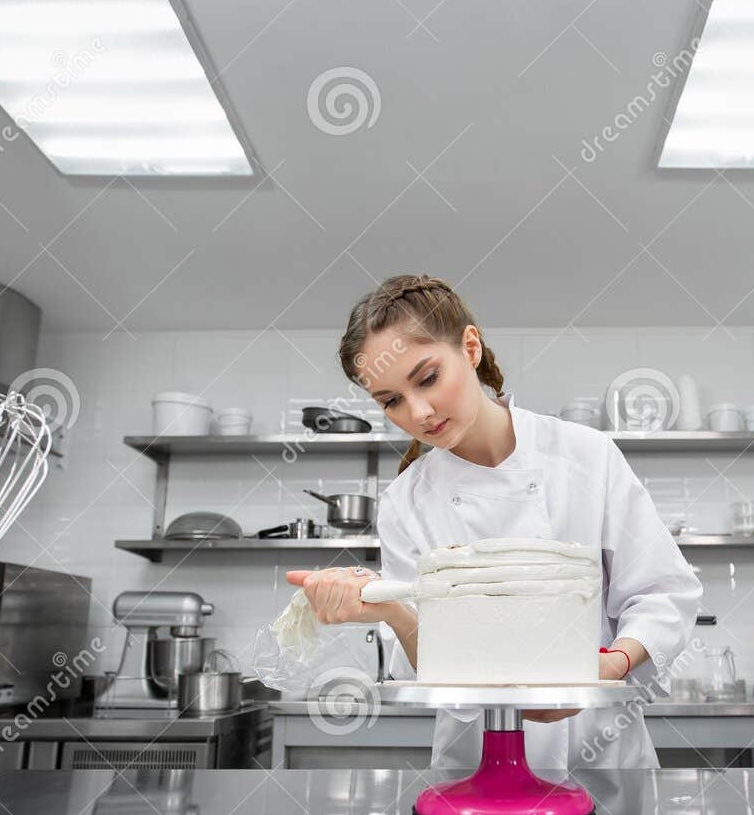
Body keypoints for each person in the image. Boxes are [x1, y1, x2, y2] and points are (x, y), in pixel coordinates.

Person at [286, 273, 701, 774]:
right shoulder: (405, 502)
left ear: (471, 346)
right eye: (391, 400)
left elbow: (663, 592)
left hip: (601, 758)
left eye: (428, 377)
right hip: (474, 767)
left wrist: (612, 665)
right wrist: (390, 610)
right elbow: (429, 663)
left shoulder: (586, 456)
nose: (418, 412)